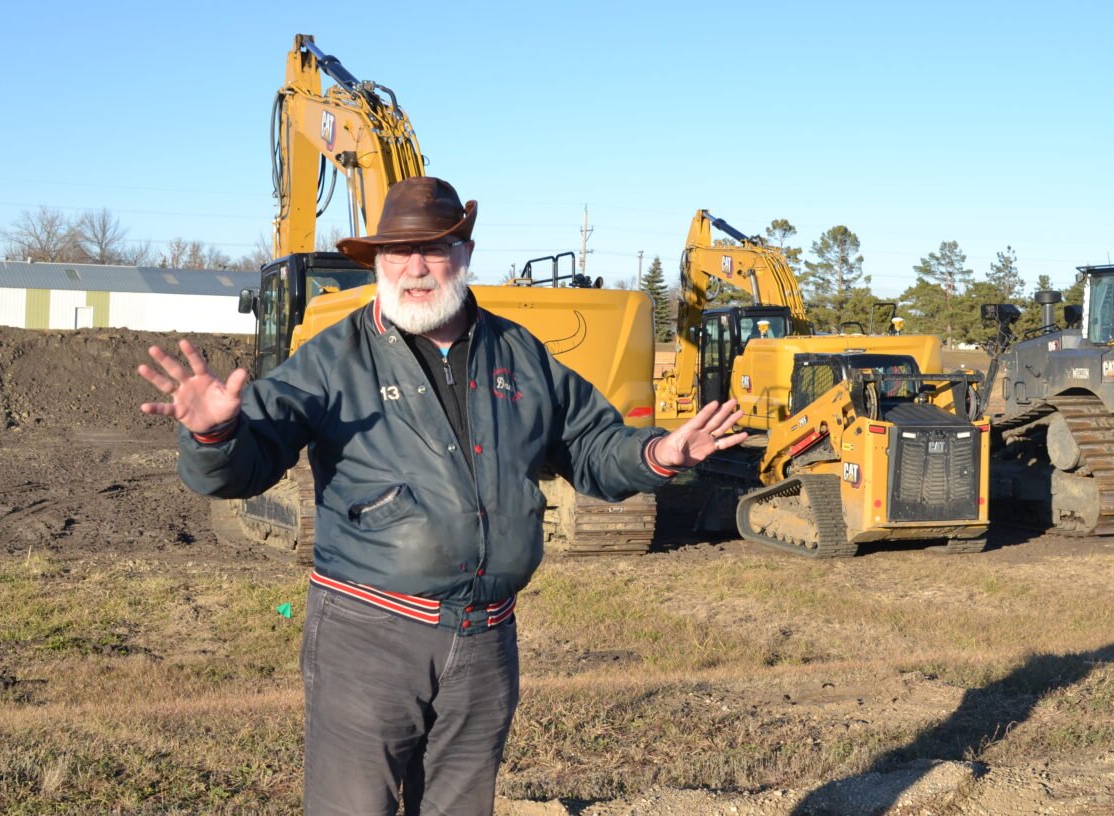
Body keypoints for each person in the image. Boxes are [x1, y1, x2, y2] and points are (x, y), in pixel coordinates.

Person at [137, 176, 746, 816]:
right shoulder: (334, 359)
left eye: (436, 248)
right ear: (376, 262)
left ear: (466, 252)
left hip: (486, 642)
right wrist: (216, 434)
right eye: (399, 252)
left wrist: (658, 454)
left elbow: (592, 446)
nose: (417, 267)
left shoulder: (519, 353)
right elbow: (246, 465)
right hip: (367, 636)